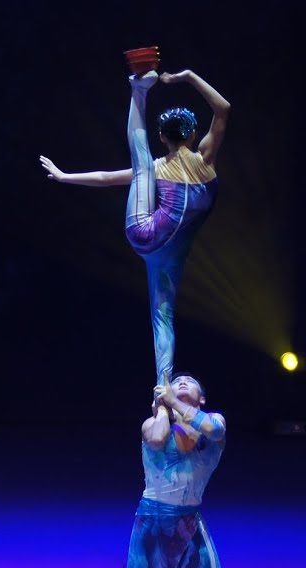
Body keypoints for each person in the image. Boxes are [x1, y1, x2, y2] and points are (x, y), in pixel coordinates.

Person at [39, 69, 230, 384]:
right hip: (165, 248)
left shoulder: (157, 167)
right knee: (163, 318)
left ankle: (163, 388)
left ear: (161, 137)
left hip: (152, 242)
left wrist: (65, 177)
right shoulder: (206, 161)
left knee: (163, 318)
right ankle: (138, 91)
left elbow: (106, 178)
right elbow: (223, 109)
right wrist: (189, 77)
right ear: (195, 134)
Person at [122, 373, 249, 568]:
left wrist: (172, 400)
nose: (181, 383)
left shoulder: (213, 421)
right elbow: (157, 438)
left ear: (201, 397)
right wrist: (162, 408)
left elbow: (208, 431)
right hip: (150, 524)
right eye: (175, 381)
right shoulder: (151, 425)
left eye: (189, 382)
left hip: (188, 526)